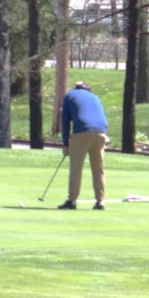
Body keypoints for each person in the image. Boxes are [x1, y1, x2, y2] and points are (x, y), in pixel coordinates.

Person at [58, 81, 109, 211]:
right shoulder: (95, 97)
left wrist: (65, 144)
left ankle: (72, 200)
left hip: (82, 131)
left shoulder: (69, 96)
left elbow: (65, 122)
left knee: (76, 168)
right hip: (101, 132)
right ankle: (100, 201)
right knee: (98, 169)